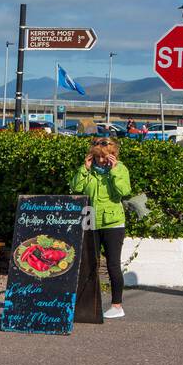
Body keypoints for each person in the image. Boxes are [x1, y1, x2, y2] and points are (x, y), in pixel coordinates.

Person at [70, 135, 132, 320]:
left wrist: (113, 172)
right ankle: (87, 304)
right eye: (98, 157)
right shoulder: (89, 170)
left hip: (113, 222)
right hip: (91, 220)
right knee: (89, 264)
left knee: (113, 264)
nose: (101, 160)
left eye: (104, 157)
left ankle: (117, 305)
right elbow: (76, 188)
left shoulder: (120, 169)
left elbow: (124, 191)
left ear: (112, 155)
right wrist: (84, 169)